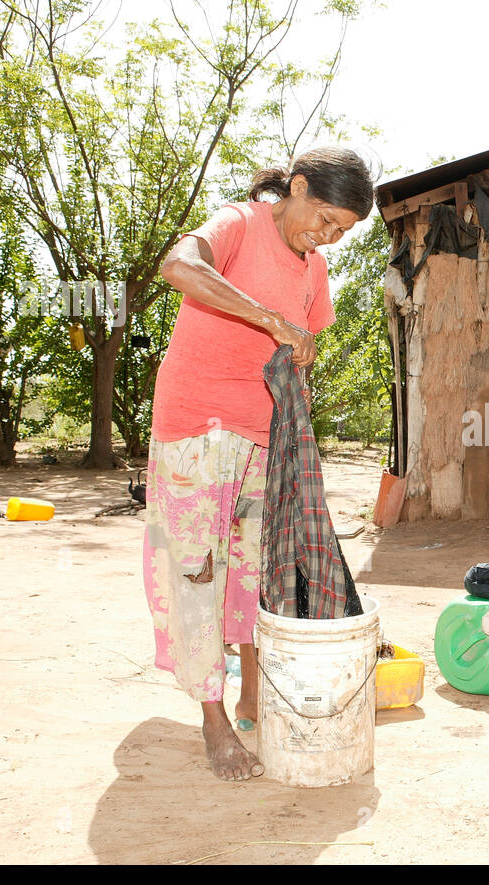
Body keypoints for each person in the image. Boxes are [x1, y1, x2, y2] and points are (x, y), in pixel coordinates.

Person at [144, 147, 374, 781]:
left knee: (257, 570)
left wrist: (296, 354)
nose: (328, 235)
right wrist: (271, 321)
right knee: (198, 571)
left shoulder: (315, 269)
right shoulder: (239, 223)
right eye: (325, 218)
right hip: (195, 426)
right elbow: (179, 266)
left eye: (342, 231)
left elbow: (305, 343)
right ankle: (213, 720)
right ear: (296, 187)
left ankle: (252, 695)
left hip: (262, 435)